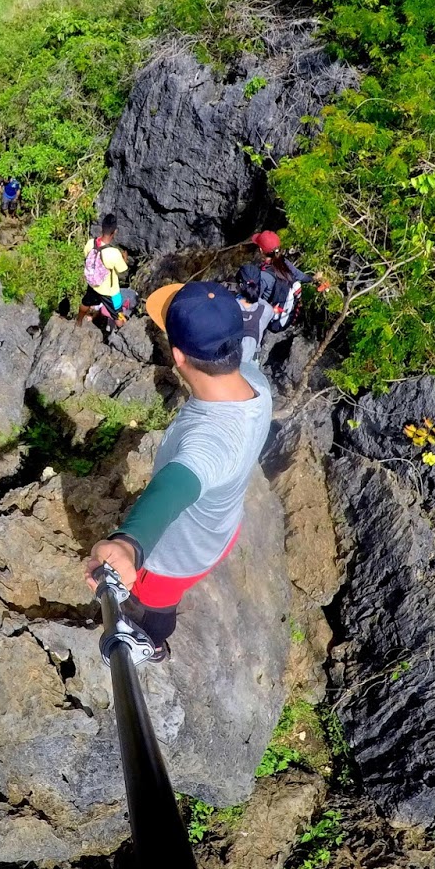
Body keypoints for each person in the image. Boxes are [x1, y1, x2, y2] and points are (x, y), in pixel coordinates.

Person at [83, 281, 274, 660]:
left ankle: (153, 642)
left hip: (173, 559)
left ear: (178, 357)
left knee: (156, 607)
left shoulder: (210, 444)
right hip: (219, 530)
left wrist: (128, 544)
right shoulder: (254, 382)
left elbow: (173, 487)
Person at [249, 230, 315, 333]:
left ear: (261, 250)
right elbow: (301, 276)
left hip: (271, 319)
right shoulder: (284, 262)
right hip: (286, 316)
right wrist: (314, 278)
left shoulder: (264, 276)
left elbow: (253, 300)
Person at [77, 214, 129, 327]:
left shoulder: (91, 243)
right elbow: (122, 270)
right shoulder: (114, 253)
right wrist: (124, 259)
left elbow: (87, 257)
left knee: (86, 302)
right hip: (110, 292)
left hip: (93, 285)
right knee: (118, 314)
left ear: (102, 228)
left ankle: (78, 322)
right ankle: (122, 332)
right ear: (115, 232)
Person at [235, 263, 275, 360]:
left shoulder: (229, 305)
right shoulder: (267, 309)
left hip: (229, 360)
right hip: (251, 360)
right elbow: (260, 303)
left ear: (240, 285)